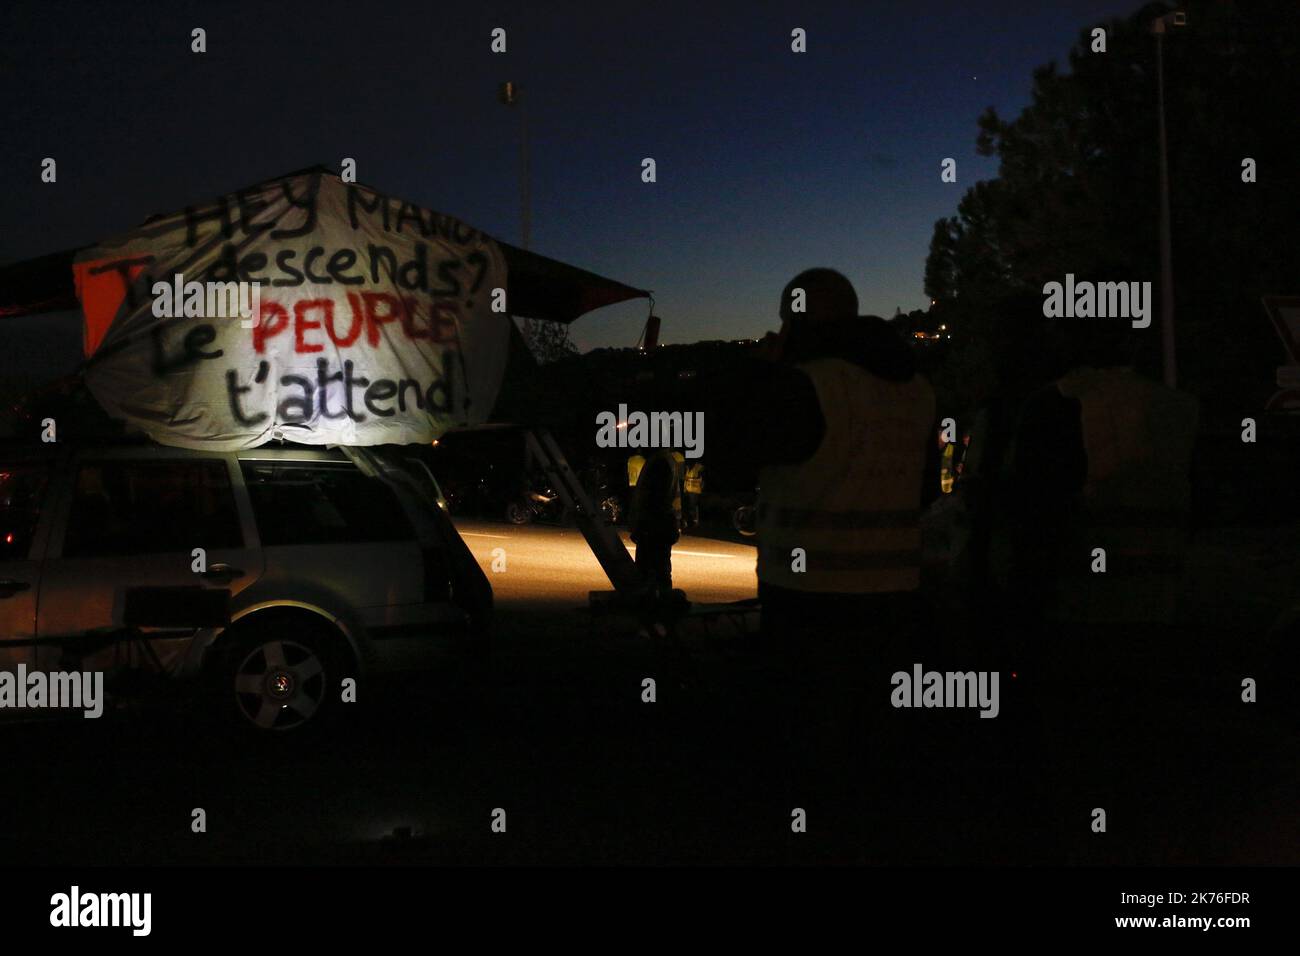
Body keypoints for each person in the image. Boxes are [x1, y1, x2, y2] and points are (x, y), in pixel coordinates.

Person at [701, 268, 938, 861]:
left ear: (802, 320)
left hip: (810, 598)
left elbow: (731, 459)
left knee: (813, 748)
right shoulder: (918, 390)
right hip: (896, 595)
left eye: (788, 317)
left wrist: (756, 374)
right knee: (879, 744)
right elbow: (926, 489)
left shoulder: (808, 385)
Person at [630, 447, 682, 595]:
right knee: (661, 570)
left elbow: (654, 498)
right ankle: (663, 606)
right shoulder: (665, 459)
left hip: (655, 526)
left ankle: (652, 610)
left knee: (648, 571)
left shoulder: (659, 462)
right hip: (663, 524)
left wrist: (641, 525)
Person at [682, 459, 704, 528]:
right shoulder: (688, 468)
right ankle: (690, 522)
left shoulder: (699, 467)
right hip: (688, 490)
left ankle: (695, 522)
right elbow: (686, 479)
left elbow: (701, 480)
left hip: (695, 490)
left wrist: (688, 479)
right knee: (688, 507)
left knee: (693, 507)